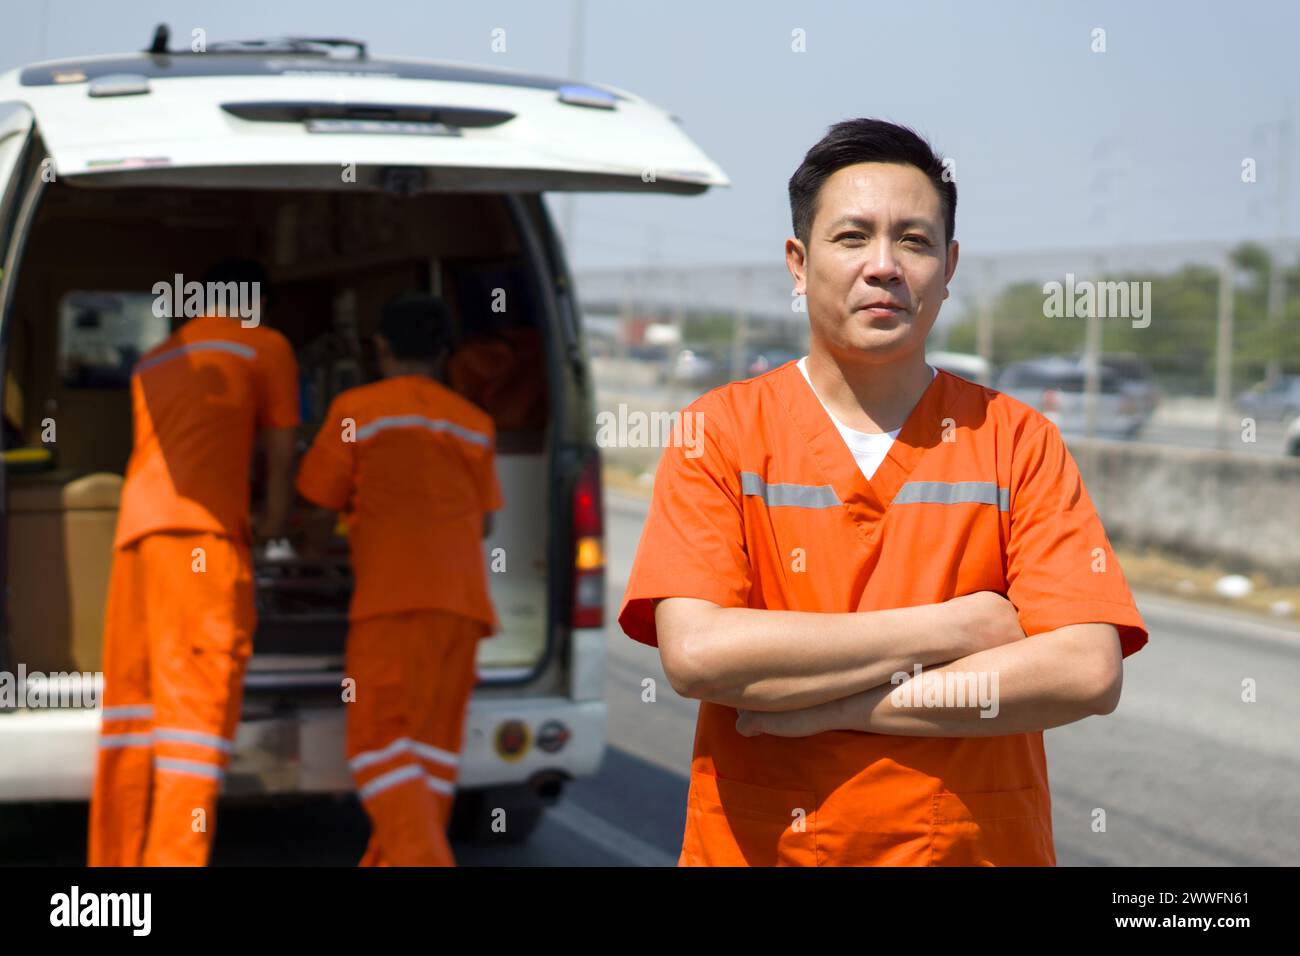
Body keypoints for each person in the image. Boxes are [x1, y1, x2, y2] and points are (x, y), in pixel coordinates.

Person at [618, 119, 1149, 866]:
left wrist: (830, 707)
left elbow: (1086, 670)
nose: (884, 266)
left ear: (949, 264)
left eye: (915, 240)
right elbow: (701, 655)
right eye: (851, 237)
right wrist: (958, 629)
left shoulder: (1017, 438)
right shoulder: (723, 430)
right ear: (798, 264)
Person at [89, 258, 299, 866]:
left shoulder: (154, 360)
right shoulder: (266, 346)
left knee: (133, 710)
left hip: (137, 543)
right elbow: (282, 451)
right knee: (193, 724)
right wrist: (275, 524)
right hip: (201, 546)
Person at [295, 292, 502, 866]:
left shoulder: (357, 409)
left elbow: (316, 503)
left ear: (379, 347)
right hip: (462, 612)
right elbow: (484, 522)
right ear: (442, 353)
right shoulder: (475, 424)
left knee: (377, 746)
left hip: (393, 604)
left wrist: (325, 544)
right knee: (428, 760)